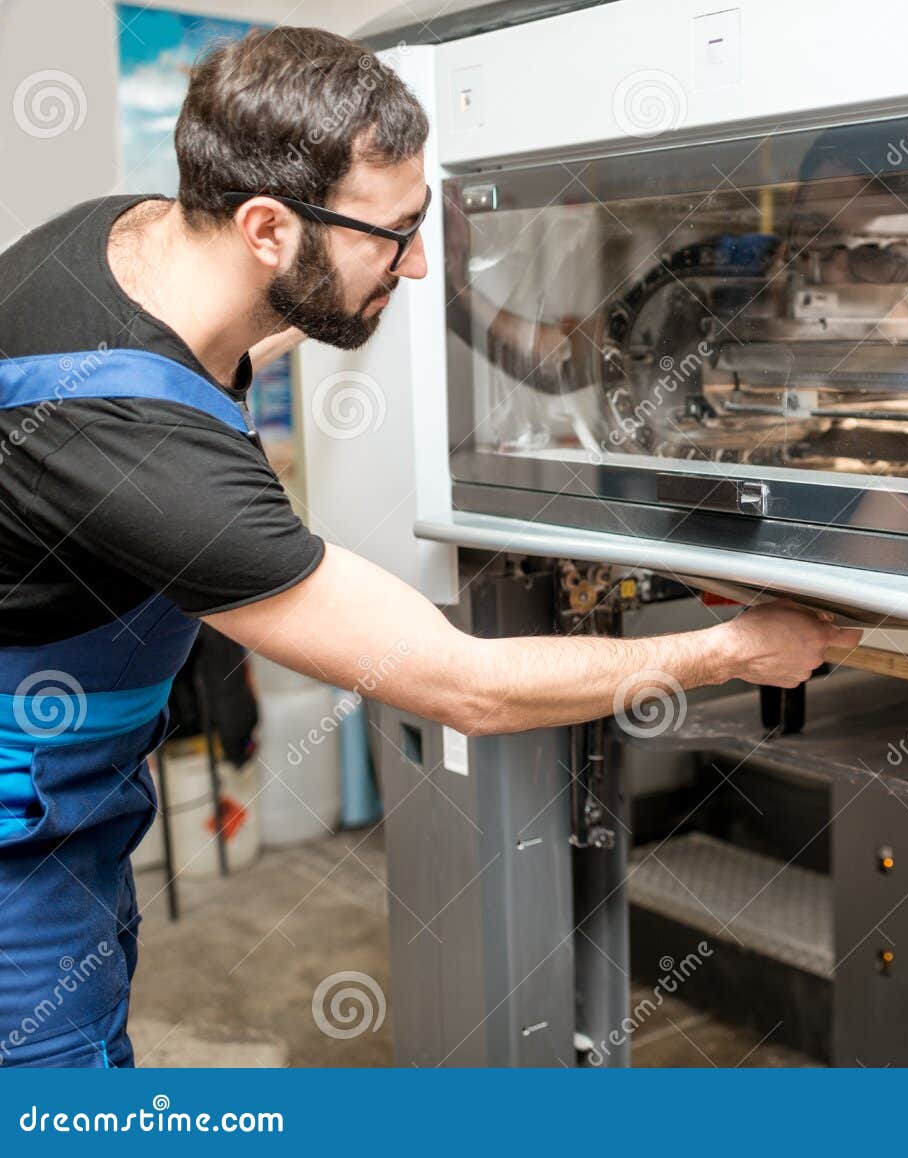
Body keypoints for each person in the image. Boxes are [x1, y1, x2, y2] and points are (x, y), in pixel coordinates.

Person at [0, 26, 854, 1068]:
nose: (410, 267)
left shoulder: (129, 239)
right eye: (395, 237)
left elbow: (268, 322)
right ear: (267, 225)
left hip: (76, 794)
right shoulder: (138, 447)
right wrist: (731, 651)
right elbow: (465, 686)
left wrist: (457, 297)